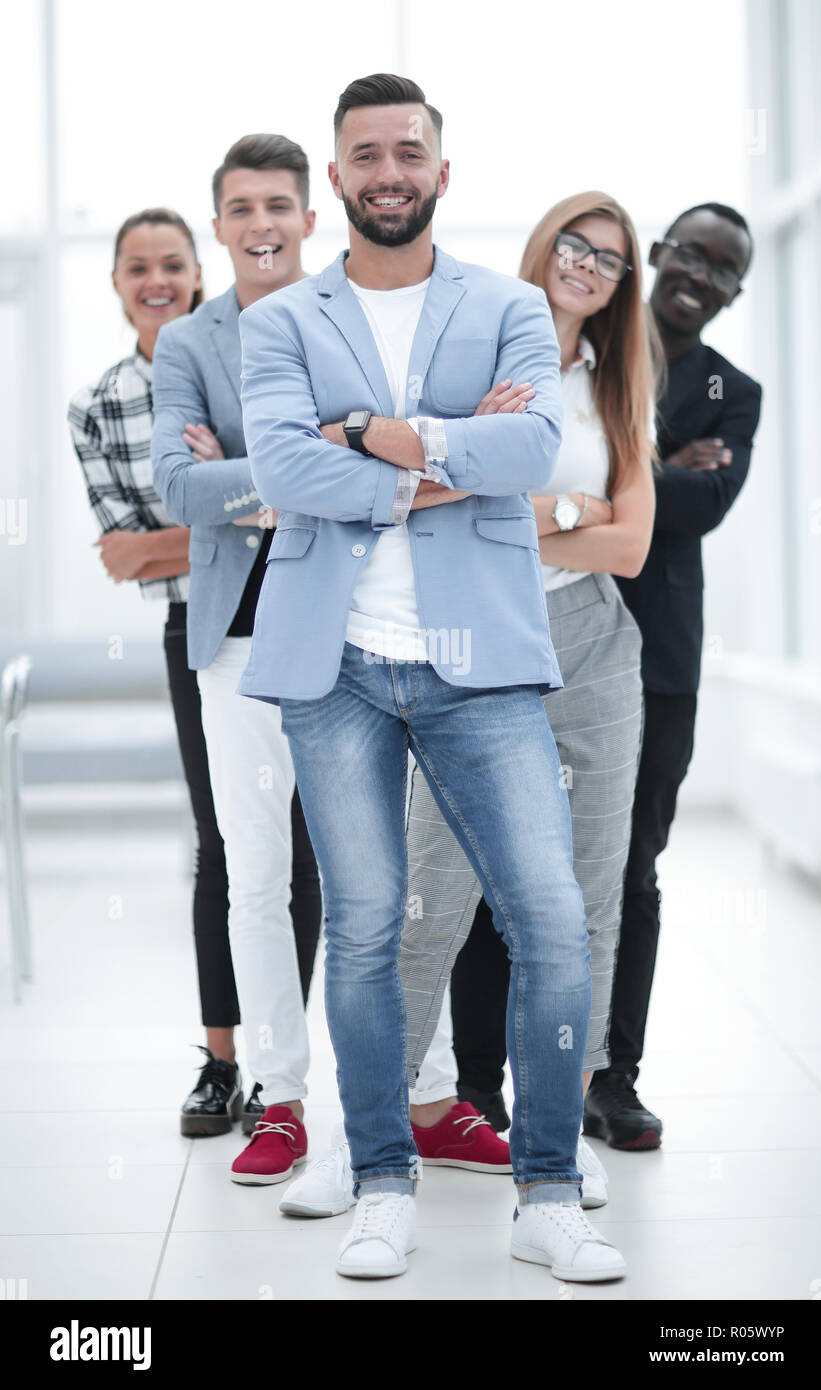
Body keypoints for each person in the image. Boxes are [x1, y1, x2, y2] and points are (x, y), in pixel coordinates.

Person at [236, 72, 627, 1283]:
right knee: (359, 928)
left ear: (439, 173)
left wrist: (373, 437)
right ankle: (379, 1184)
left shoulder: (507, 303)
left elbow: (532, 447)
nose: (389, 171)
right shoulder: (281, 323)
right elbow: (287, 473)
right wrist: (439, 460)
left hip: (483, 662)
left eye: (410, 151)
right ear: (337, 179)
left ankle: (550, 1190)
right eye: (366, 155)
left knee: (551, 922)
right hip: (337, 666)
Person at [283, 191, 658, 1216]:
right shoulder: (468, 354)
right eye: (573, 246)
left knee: (582, 902)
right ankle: (361, 1138)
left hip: (590, 644)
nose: (585, 266)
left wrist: (532, 500)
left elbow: (629, 544)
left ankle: (563, 1134)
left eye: (610, 260)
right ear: (541, 249)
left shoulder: (617, 385)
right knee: (419, 899)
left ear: (624, 286)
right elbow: (401, 487)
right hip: (476, 640)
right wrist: (505, 486)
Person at [151, 136, 322, 1184]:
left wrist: (249, 473)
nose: (262, 221)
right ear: (217, 226)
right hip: (237, 643)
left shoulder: (344, 314)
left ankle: (414, 1097)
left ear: (309, 217)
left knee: (372, 882)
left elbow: (370, 455)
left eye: (279, 204)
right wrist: (310, 466)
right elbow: (177, 487)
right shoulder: (187, 345)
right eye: (241, 206)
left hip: (353, 633)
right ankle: (280, 1096)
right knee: (255, 878)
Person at [68, 208, 250, 1137]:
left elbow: (290, 498)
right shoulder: (98, 404)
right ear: (116, 282)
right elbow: (123, 558)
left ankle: (295, 1069)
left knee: (304, 851)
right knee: (219, 842)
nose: (157, 280)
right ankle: (223, 1064)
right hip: (196, 627)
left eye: (173, 263)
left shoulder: (238, 360)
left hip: (287, 610)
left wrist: (213, 514)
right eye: (138, 266)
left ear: (198, 269)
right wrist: (235, 507)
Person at [584, 202, 762, 1149]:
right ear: (657, 254)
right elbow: (568, 467)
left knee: (632, 868)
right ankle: (491, 1074)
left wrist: (623, 474)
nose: (700, 273)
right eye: (690, 252)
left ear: (736, 291)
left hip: (661, 668)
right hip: (555, 643)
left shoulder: (737, 390)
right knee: (520, 867)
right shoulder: (595, 343)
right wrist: (657, 462)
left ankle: (614, 1077)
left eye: (722, 267)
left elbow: (700, 506)